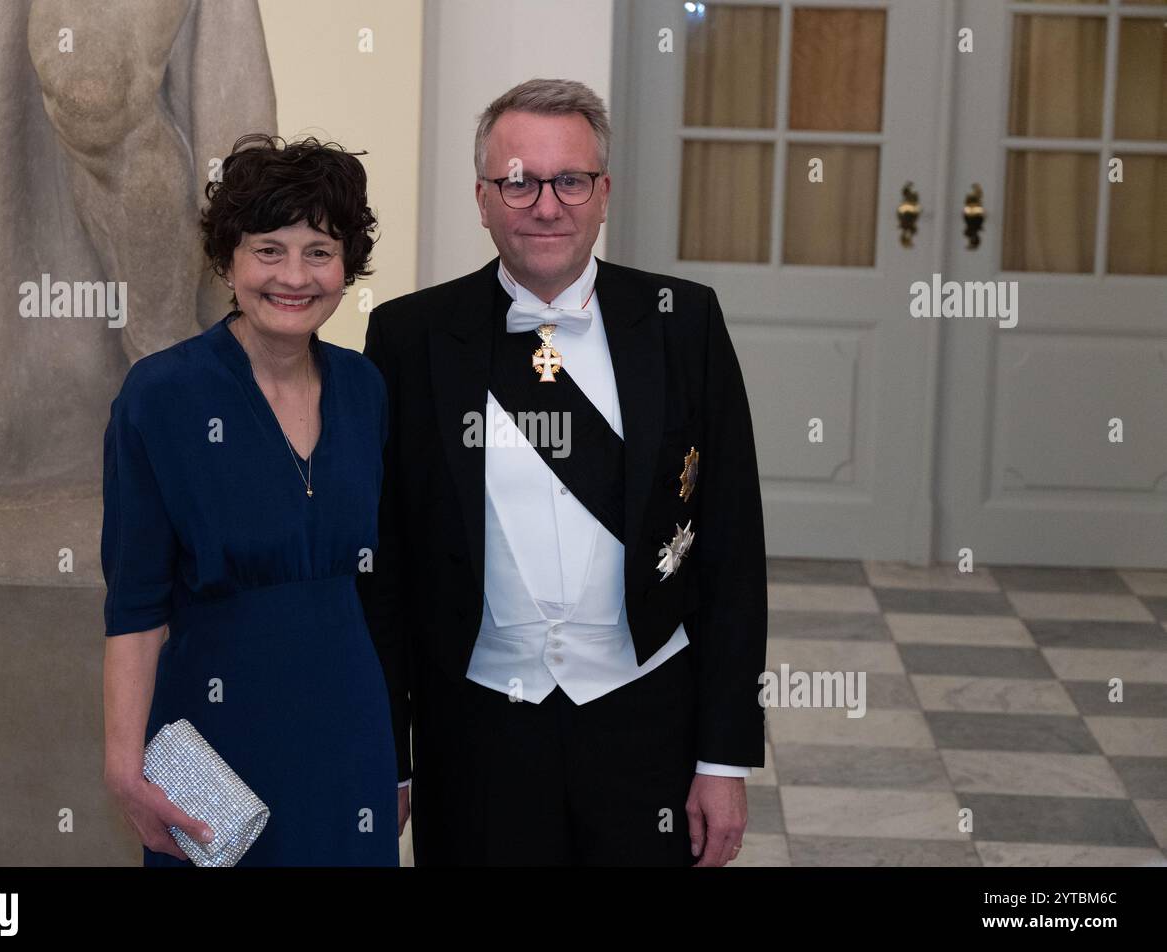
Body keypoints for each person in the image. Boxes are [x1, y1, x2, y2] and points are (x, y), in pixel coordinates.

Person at [357, 79, 768, 866]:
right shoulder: (409, 337)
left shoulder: (686, 325)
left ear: (604, 192)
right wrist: (390, 750)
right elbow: (385, 567)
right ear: (482, 197)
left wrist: (723, 759)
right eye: (518, 180)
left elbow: (732, 555)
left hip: (645, 722)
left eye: (570, 180)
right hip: (474, 730)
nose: (545, 205)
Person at [101, 133, 400, 866]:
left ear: (347, 266)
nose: (293, 276)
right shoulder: (162, 396)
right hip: (217, 743)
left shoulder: (366, 389)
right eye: (269, 250)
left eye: (319, 251)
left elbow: (384, 590)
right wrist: (123, 766)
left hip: (350, 733)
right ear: (227, 259)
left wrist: (399, 758)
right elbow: (135, 607)